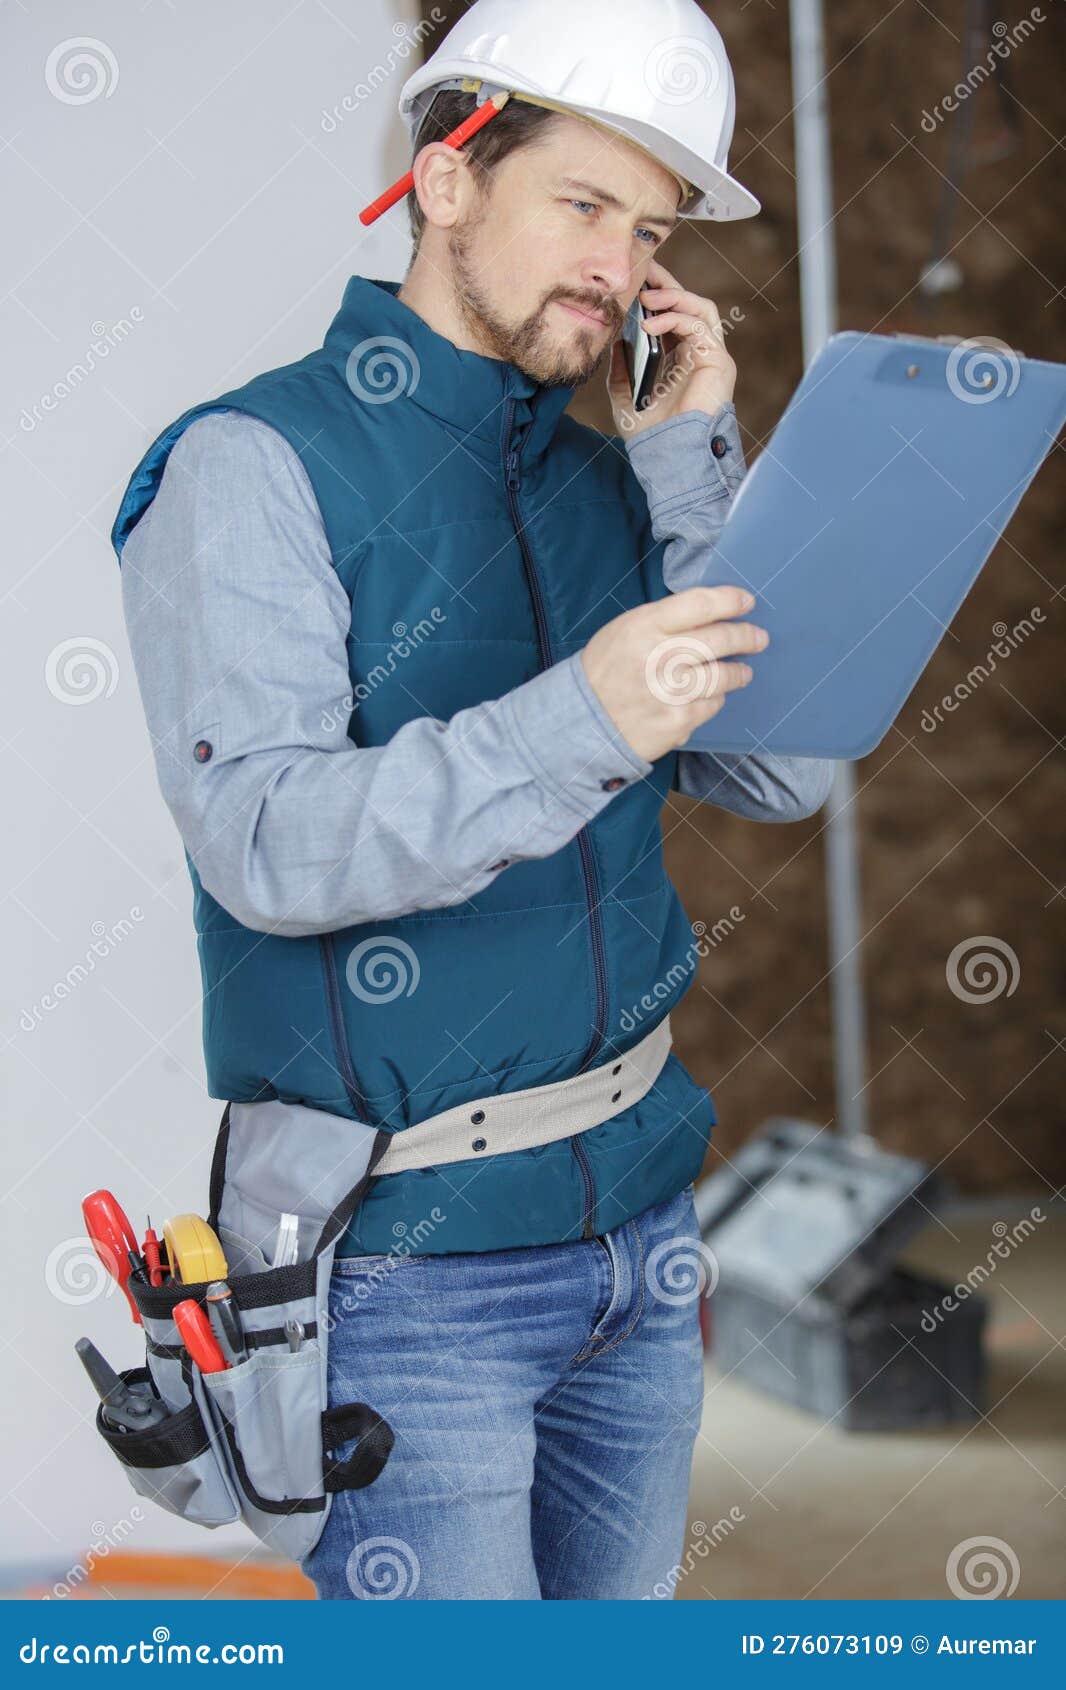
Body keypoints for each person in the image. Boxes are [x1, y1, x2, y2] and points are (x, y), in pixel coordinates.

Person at [112, 0, 834, 1599]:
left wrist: (692, 457)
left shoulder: (609, 477)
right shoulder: (253, 464)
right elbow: (266, 844)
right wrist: (581, 713)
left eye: (647, 228)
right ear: (445, 179)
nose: (620, 263)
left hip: (641, 1229)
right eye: (583, 203)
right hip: (402, 1273)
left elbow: (776, 768)